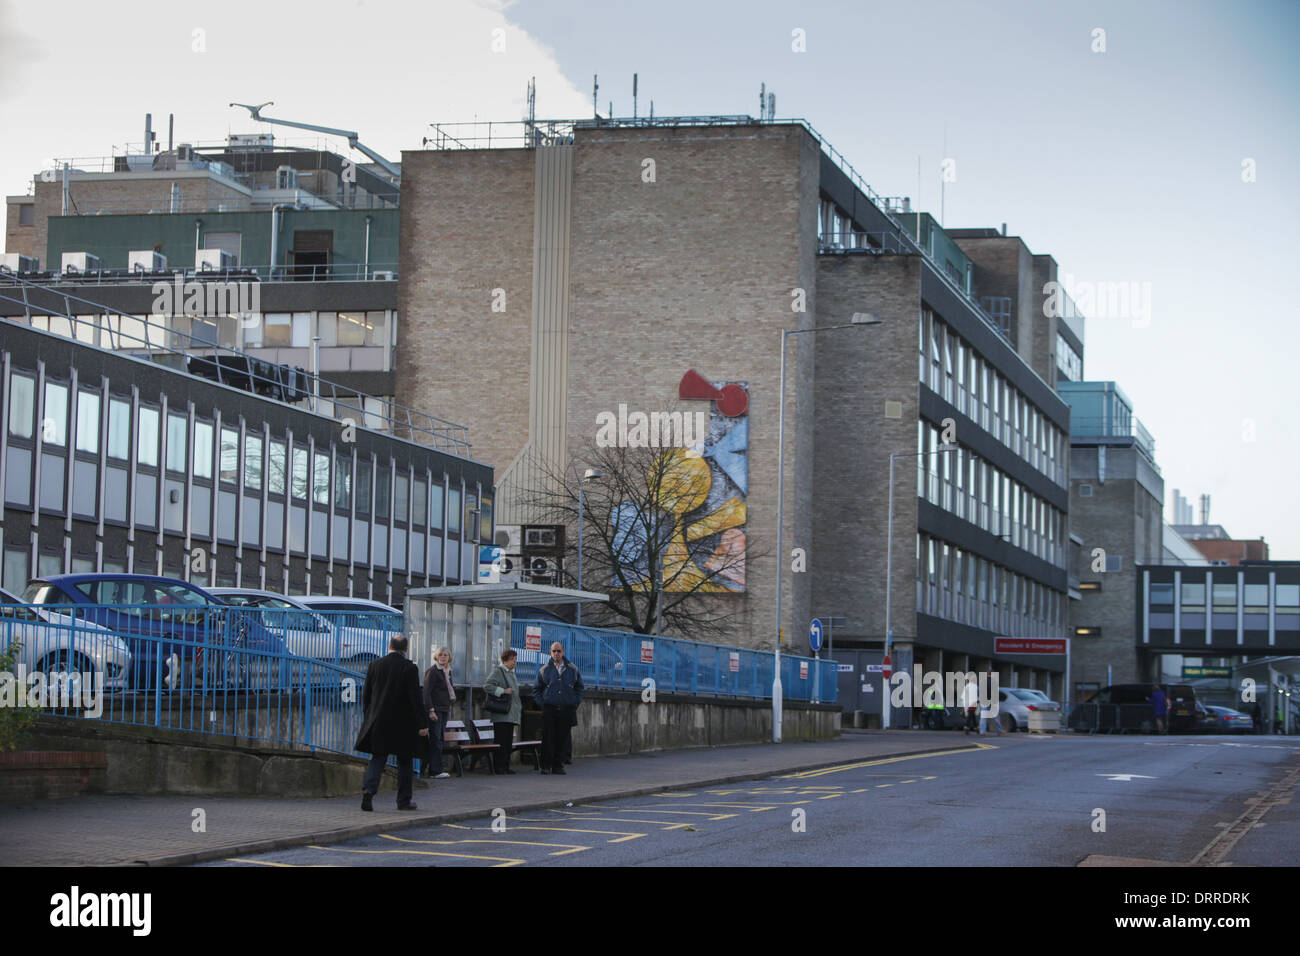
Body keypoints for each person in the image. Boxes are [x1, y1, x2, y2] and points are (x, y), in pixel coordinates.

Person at [355, 635, 428, 811]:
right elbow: (415, 698)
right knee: (405, 761)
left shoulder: (375, 665)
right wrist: (422, 723)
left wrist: (368, 717)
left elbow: (367, 695)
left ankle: (369, 791)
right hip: (403, 723)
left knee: (377, 758)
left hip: (379, 720)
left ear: (389, 646)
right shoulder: (409, 668)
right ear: (406, 649)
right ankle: (404, 801)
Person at [535, 641, 583, 775]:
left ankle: (558, 765)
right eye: (554, 651)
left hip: (566, 708)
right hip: (549, 708)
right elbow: (537, 689)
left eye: (558, 651)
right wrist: (542, 703)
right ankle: (546, 765)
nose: (556, 653)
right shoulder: (544, 669)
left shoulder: (572, 669)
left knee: (562, 738)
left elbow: (579, 687)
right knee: (548, 738)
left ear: (563, 652)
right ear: (550, 653)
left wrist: (574, 702)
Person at [483, 649, 521, 774]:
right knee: (501, 740)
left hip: (511, 713)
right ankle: (498, 766)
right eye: (512, 659)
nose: (514, 662)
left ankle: (505, 765)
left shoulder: (511, 673)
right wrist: (503, 691)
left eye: (515, 659)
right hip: (501, 713)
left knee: (508, 741)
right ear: (505, 660)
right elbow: (487, 686)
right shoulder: (498, 671)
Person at [421, 646, 455, 779]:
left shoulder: (447, 671)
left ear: (449, 657)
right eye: (440, 655)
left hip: (444, 708)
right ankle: (435, 770)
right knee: (436, 739)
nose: (443, 657)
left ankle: (431, 768)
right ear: (436, 656)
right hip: (435, 709)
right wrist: (431, 710)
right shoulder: (433, 671)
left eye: (445, 655)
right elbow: (426, 692)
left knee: (439, 738)